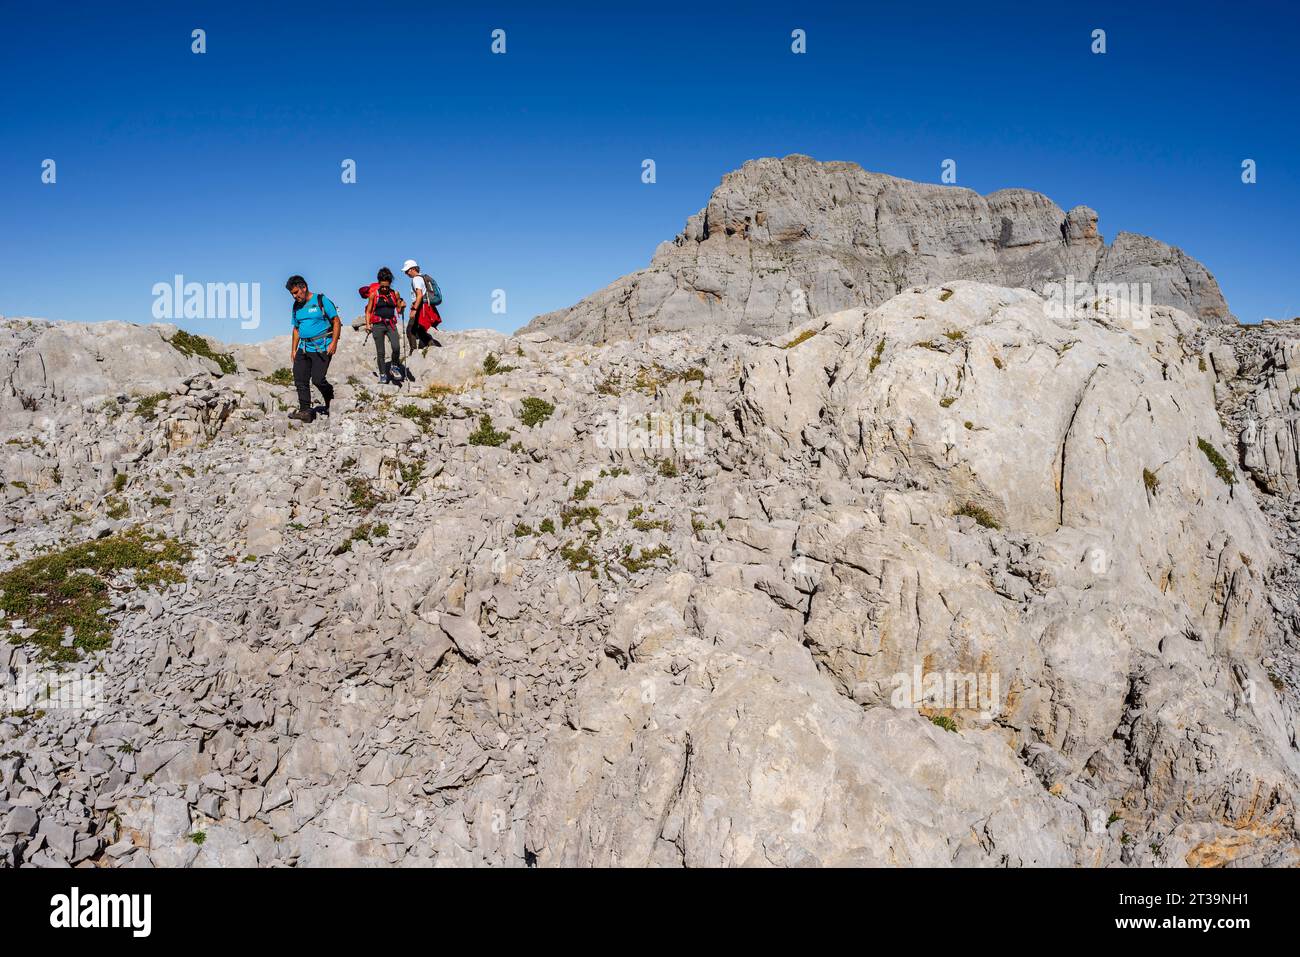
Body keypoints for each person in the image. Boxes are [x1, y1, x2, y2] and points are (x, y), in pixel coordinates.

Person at [286, 275, 340, 423]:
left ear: (304, 287)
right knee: (300, 379)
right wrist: (293, 349)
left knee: (318, 379)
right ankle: (306, 412)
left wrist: (334, 343)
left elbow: (336, 321)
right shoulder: (296, 306)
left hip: (322, 347)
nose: (295, 296)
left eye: (296, 292)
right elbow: (296, 329)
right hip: (303, 348)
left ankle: (330, 399)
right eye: (292, 294)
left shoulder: (322, 300)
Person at [364, 267, 405, 384]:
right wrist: (367, 324)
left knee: (396, 346)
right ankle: (383, 374)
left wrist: (402, 306)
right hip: (378, 325)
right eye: (382, 286)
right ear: (379, 283)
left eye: (387, 286)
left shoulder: (394, 293)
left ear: (390, 284)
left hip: (391, 324)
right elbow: (368, 310)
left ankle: (394, 366)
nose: (384, 288)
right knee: (380, 352)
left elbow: (399, 310)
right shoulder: (374, 295)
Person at [402, 259, 438, 352]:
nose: (406, 274)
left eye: (407, 271)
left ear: (412, 269)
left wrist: (414, 309)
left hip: (420, 307)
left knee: (410, 329)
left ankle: (414, 351)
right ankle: (430, 345)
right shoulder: (421, 277)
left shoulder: (416, 279)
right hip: (423, 306)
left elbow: (419, 294)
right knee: (419, 329)